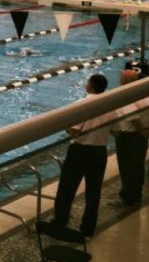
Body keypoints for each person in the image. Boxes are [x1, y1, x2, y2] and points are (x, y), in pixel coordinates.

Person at [53, 74, 117, 237]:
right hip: (100, 152)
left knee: (67, 189)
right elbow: (115, 131)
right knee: (93, 192)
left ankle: (60, 222)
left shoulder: (82, 104)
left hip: (80, 151)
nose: (86, 85)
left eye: (88, 82)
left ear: (92, 86)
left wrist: (65, 126)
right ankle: (88, 228)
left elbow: (74, 132)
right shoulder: (111, 105)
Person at [112, 66, 149, 206]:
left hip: (128, 137)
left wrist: (142, 131)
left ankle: (128, 197)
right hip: (141, 136)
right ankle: (136, 195)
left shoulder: (127, 96)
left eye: (121, 78)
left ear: (125, 81)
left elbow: (134, 118)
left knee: (127, 168)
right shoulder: (144, 94)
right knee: (138, 166)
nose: (119, 80)